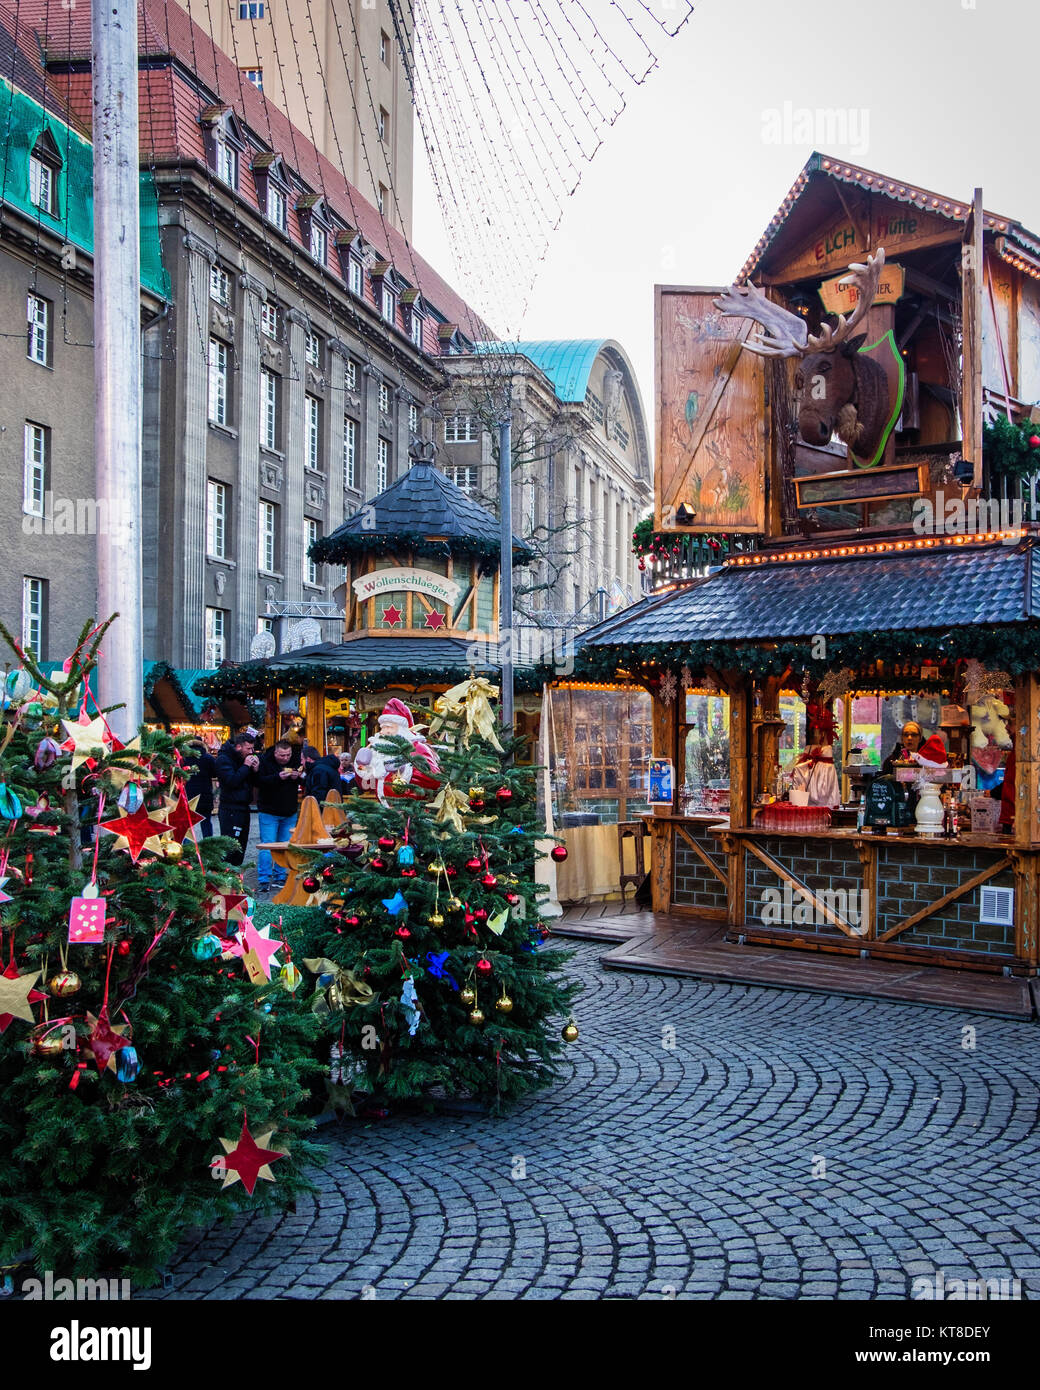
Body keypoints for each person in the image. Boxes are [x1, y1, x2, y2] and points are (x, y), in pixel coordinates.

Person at [256, 739, 305, 891]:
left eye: (288, 755)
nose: (285, 758)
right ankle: (264, 878)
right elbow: (258, 782)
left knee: (285, 845)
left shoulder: (296, 760)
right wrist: (278, 777)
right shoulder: (264, 761)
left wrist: (298, 777)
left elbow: (305, 780)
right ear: (275, 752)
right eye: (282, 755)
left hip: (289, 810)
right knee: (267, 845)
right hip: (268, 810)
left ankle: (280, 876)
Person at [215, 733, 259, 864]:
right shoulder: (223, 759)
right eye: (248, 749)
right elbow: (231, 781)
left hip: (244, 808)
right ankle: (226, 878)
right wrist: (246, 766)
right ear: (239, 747)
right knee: (230, 848)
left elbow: (254, 783)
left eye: (253, 749)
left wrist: (255, 770)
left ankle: (236, 877)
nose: (251, 752)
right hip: (230, 809)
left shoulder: (244, 759)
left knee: (241, 847)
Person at [183, 738, 218, 838]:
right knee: (206, 821)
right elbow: (214, 773)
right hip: (204, 793)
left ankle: (187, 847)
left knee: (188, 825)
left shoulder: (184, 758)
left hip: (188, 794)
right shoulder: (208, 758)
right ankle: (208, 846)